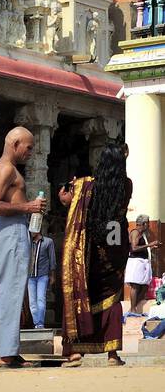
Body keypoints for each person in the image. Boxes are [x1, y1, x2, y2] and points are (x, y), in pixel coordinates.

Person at [60, 147, 133, 365]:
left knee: (82, 293)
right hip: (114, 243)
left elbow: (70, 203)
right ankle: (112, 355)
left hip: (89, 248)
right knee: (112, 298)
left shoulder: (85, 186)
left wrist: (68, 198)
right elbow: (114, 219)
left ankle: (75, 351)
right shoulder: (126, 185)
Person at [0, 126, 44, 367]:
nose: (30, 152)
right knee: (12, 289)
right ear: (15, 144)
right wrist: (28, 208)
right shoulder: (8, 169)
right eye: (28, 148)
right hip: (12, 230)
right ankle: (8, 352)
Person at [124, 214, 158, 313]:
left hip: (143, 262)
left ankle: (133, 308)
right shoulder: (135, 232)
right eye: (147, 223)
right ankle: (133, 309)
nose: (149, 226)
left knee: (144, 286)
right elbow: (134, 248)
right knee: (135, 286)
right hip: (136, 262)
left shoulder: (142, 234)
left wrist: (151, 247)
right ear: (143, 224)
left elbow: (141, 248)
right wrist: (149, 244)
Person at [27, 232, 56, 328]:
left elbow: (52, 259)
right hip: (30, 276)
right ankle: (36, 322)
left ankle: (40, 323)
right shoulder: (28, 242)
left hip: (42, 275)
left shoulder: (48, 242)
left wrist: (52, 275)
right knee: (32, 302)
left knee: (40, 299)